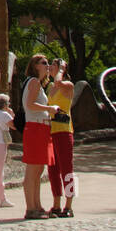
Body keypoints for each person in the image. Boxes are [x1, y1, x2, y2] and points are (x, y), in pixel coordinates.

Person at [21, 53, 58, 219]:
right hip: (35, 127)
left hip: (40, 127)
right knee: (33, 169)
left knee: (38, 169)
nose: (47, 65)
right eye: (44, 62)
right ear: (35, 66)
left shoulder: (38, 84)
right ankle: (31, 207)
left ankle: (37, 205)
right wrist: (49, 109)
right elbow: (30, 105)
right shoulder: (34, 82)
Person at [47, 58, 76, 217]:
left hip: (64, 131)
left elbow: (59, 82)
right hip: (52, 131)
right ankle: (56, 204)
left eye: (53, 64)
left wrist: (61, 70)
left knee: (67, 168)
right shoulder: (50, 87)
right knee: (53, 170)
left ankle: (69, 205)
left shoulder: (67, 85)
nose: (50, 67)